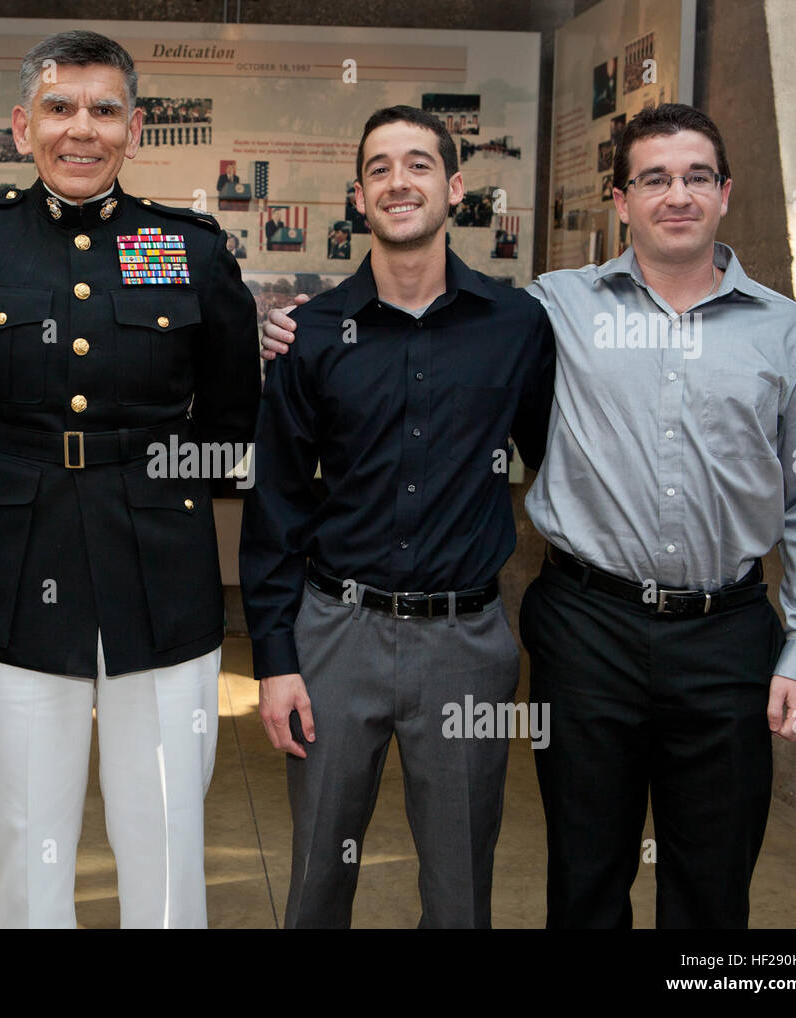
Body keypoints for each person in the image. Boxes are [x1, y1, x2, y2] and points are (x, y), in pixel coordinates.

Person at [260, 103, 796, 929]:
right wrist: (288, 329)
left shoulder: (776, 334)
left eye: (695, 178)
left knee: (712, 885)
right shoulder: (547, 310)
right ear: (620, 200)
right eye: (653, 178)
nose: (675, 195)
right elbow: (298, 477)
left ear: (725, 193)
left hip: (723, 633)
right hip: (580, 630)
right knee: (582, 874)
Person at [0, 30, 259, 929]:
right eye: (60, 108)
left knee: (170, 833)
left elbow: (227, 421)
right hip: (17, 569)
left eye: (104, 109)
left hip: (160, 572)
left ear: (135, 128)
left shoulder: (187, 249)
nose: (82, 129)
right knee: (31, 839)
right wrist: (7, 482)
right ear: (23, 126)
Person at [240, 106, 555, 928]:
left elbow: (558, 456)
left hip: (465, 644)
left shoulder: (515, 326)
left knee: (459, 891)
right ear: (357, 198)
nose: (397, 181)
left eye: (418, 164)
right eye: (379, 168)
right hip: (335, 637)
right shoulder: (306, 335)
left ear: (454, 188)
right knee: (315, 883)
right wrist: (274, 659)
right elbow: (275, 503)